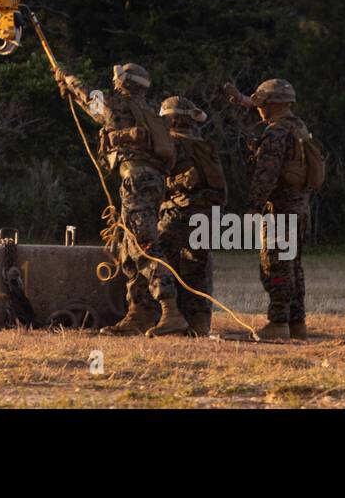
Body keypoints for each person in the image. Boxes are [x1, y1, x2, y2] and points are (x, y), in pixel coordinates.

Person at [59, 63, 184, 336]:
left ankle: (170, 310)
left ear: (122, 82)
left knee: (144, 245)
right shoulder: (150, 112)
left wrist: (67, 78)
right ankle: (138, 314)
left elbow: (89, 100)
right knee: (129, 249)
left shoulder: (119, 105)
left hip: (136, 180)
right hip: (152, 182)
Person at [226, 78, 314, 341]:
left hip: (280, 209)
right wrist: (244, 100)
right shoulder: (298, 127)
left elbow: (266, 174)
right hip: (300, 206)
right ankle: (296, 323)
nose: (259, 109)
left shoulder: (276, 132)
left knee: (275, 265)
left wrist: (254, 206)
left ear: (272, 104)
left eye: (262, 103)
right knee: (293, 265)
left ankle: (277, 323)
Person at [153, 96, 227, 337]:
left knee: (163, 264)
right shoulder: (204, 145)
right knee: (197, 268)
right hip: (208, 214)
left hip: (179, 213)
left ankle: (170, 318)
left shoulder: (171, 144)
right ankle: (199, 324)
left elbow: (157, 182)